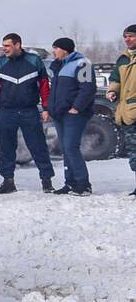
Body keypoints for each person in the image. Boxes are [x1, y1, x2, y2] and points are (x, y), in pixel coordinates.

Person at [0, 32, 54, 194]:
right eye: (3, 46)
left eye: (7, 46)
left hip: (29, 111)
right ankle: (8, 181)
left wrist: (46, 108)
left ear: (18, 45)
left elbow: (44, 86)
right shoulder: (0, 62)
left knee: (38, 146)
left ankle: (46, 180)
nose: (4, 49)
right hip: (7, 111)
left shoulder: (34, 61)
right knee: (7, 148)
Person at [47, 37, 96, 196]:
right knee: (66, 149)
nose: (53, 51)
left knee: (71, 147)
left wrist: (76, 107)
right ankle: (70, 183)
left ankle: (83, 184)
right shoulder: (59, 66)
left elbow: (87, 88)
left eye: (56, 48)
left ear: (65, 49)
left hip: (74, 114)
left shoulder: (82, 63)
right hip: (60, 114)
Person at [107, 24, 136, 196]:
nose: (127, 39)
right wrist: (112, 91)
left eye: (131, 36)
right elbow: (115, 79)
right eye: (125, 36)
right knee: (133, 150)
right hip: (127, 112)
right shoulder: (123, 59)